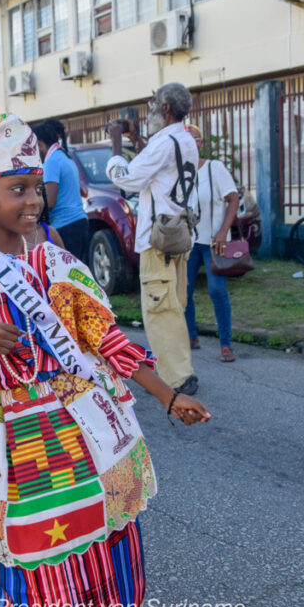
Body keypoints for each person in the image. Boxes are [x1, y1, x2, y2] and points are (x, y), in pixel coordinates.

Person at [0, 101, 210, 607]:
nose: (34, 201)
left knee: (97, 546)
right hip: (3, 445)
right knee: (23, 556)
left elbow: (106, 339)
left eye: (35, 188)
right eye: (18, 189)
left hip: (79, 434)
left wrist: (168, 395)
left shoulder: (55, 261)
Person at [107, 82, 201, 397]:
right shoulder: (184, 139)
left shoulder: (165, 142)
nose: (148, 114)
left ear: (165, 109)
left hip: (157, 240)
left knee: (161, 309)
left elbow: (127, 179)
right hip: (177, 234)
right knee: (174, 304)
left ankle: (177, 378)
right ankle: (178, 371)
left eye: (152, 107)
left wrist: (116, 147)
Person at [183, 125, 240, 363]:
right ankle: (191, 337)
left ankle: (226, 344)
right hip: (187, 241)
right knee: (183, 292)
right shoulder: (178, 173)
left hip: (214, 241)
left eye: (195, 139)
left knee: (217, 290)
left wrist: (223, 231)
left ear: (201, 143)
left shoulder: (214, 168)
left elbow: (233, 198)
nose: (191, 144)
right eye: (186, 140)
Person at [33, 118, 89, 260]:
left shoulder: (52, 162)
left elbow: (50, 202)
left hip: (65, 227)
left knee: (67, 276)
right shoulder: (65, 158)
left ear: (40, 145)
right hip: (80, 223)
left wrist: (31, 218)